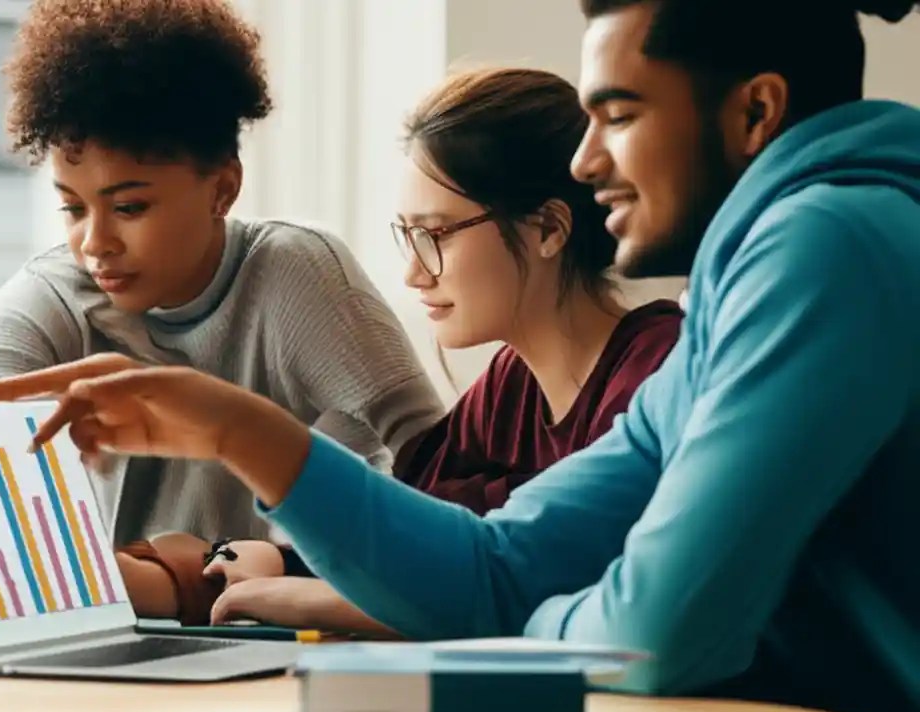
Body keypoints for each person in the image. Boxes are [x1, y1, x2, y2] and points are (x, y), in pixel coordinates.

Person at [0, 0, 920, 712]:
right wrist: (237, 431)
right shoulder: (746, 279)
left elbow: (653, 636)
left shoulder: (828, 242)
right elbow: (500, 566)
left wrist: (524, 626)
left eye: (619, 115)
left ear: (755, 113)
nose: (585, 162)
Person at [191, 67, 682, 631]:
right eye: (408, 235)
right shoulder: (510, 385)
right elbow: (422, 541)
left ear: (548, 228)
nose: (414, 273)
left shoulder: (657, 372)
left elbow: (568, 590)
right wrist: (279, 560)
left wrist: (316, 600)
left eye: (437, 234)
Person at [0, 0, 443, 561]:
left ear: (223, 189)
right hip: (113, 624)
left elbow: (445, 474)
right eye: (73, 209)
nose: (95, 244)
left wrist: (274, 572)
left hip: (291, 628)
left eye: (129, 207)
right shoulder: (39, 308)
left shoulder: (296, 275)